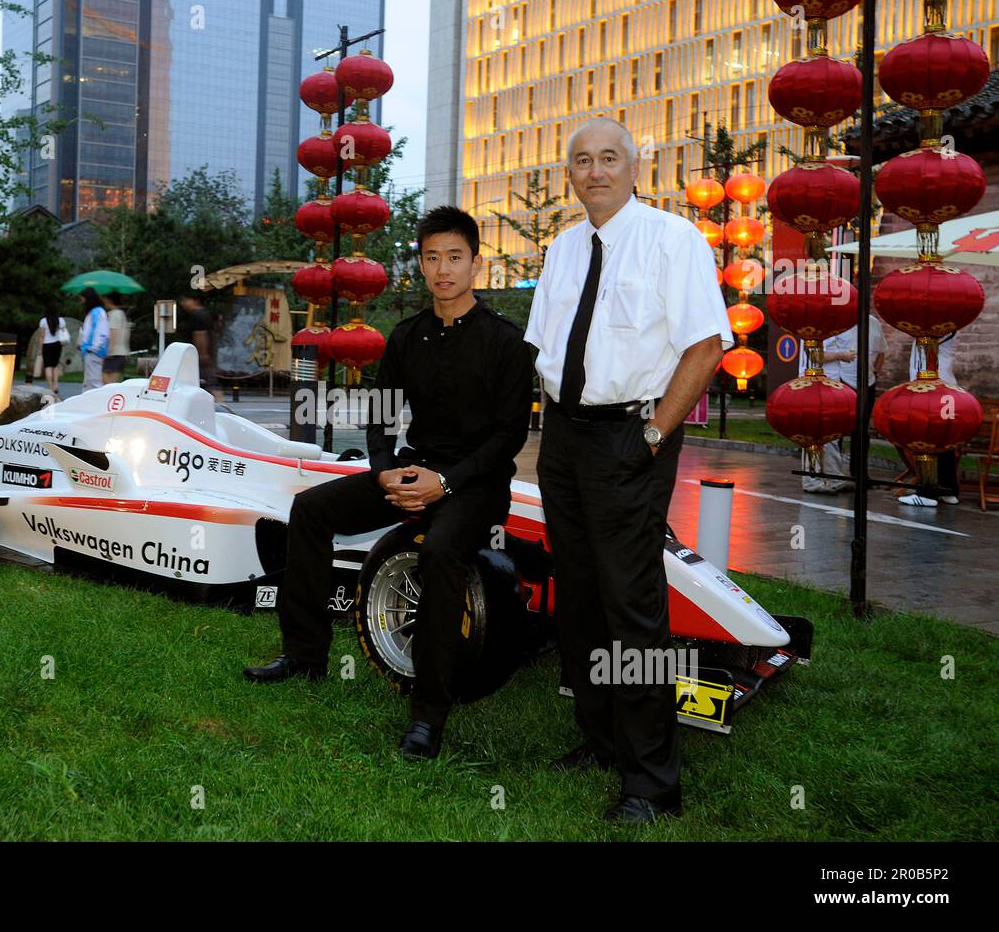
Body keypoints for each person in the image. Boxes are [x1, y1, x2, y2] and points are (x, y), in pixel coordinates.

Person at [243, 206, 533, 761]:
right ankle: (304, 656)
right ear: (421, 266)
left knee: (441, 549)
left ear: (476, 264)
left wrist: (445, 482)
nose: (443, 269)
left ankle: (428, 716)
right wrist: (384, 469)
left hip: (476, 484)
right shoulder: (406, 336)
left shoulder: (506, 341)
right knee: (310, 511)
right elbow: (380, 417)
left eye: (455, 257)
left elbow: (508, 436)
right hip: (410, 471)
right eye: (433, 258)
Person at [525, 118, 730, 824]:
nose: (595, 171)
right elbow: (544, 350)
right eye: (582, 161)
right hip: (564, 438)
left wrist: (650, 435)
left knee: (632, 604)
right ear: (571, 175)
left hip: (631, 435)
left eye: (608, 157)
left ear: (634, 167)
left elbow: (706, 346)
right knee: (579, 595)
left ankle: (652, 781)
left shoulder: (674, 240)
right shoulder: (561, 248)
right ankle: (601, 739)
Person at [803, 315, 887, 495]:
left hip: (838, 384)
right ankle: (813, 480)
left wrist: (873, 372)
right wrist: (841, 355)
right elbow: (815, 355)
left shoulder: (867, 323)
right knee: (819, 432)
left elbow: (881, 352)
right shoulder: (821, 324)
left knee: (833, 434)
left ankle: (835, 478)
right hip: (821, 384)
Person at [898, 335, 960, 507]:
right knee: (944, 442)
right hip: (943, 391)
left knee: (927, 439)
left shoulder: (934, 328)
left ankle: (926, 493)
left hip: (933, 390)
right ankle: (947, 490)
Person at [173, 294, 217, 393]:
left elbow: (200, 335)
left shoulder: (197, 315)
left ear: (195, 300)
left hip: (198, 356)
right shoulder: (204, 314)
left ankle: (218, 399)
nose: (183, 303)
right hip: (202, 356)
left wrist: (202, 354)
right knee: (209, 384)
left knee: (207, 384)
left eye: (186, 300)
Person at [76, 288, 108, 392]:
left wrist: (92, 348)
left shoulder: (96, 312)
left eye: (82, 299)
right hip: (91, 351)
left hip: (93, 352)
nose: (81, 302)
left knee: (94, 382)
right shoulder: (95, 312)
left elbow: (99, 332)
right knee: (89, 381)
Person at [36, 301, 68, 395]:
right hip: (57, 344)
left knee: (48, 366)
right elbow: (64, 333)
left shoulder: (43, 321)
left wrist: (40, 349)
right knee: (55, 365)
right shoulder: (61, 320)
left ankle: (50, 387)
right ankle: (56, 385)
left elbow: (41, 337)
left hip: (47, 345)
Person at [102, 293, 129, 384]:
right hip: (121, 352)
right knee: (111, 384)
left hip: (114, 353)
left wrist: (109, 351)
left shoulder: (114, 314)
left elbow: (113, 333)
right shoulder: (121, 313)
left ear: (109, 300)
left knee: (108, 384)